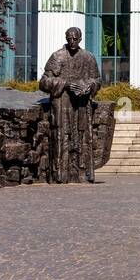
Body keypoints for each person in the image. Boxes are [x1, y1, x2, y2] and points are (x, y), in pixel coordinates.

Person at [39, 27, 102, 183]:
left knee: (82, 137)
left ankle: (82, 174)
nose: (72, 42)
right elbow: (44, 82)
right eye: (69, 39)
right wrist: (65, 84)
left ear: (80, 39)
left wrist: (90, 85)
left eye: (75, 39)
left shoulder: (88, 57)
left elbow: (98, 80)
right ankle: (61, 175)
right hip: (62, 103)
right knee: (63, 137)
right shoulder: (57, 57)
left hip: (82, 104)